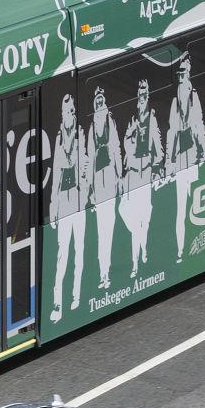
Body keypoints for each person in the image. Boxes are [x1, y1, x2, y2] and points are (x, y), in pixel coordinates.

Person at [46, 91, 89, 323]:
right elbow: (55, 175)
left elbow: (87, 163)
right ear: (63, 115)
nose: (71, 113)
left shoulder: (81, 134)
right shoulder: (59, 139)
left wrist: (86, 188)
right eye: (68, 111)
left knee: (79, 252)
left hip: (78, 200)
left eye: (73, 110)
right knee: (62, 256)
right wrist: (53, 207)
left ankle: (76, 296)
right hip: (63, 201)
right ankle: (57, 304)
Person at [164, 57, 205, 261]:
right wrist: (169, 160)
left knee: (193, 203)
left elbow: (199, 124)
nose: (180, 76)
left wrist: (203, 151)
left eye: (183, 73)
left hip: (192, 155)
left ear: (188, 74)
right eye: (178, 74)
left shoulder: (193, 96)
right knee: (181, 207)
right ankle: (181, 250)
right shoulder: (175, 100)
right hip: (181, 157)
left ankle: (194, 245)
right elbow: (171, 132)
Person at [118, 78, 163, 278]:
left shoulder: (151, 119)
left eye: (144, 94)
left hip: (146, 174)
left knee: (145, 219)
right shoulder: (132, 119)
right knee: (131, 218)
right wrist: (131, 134)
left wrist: (158, 167)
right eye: (140, 95)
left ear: (148, 96)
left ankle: (143, 249)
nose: (142, 98)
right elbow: (125, 144)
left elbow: (158, 146)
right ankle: (135, 263)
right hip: (133, 175)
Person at [86, 86, 122, 292]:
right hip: (98, 185)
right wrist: (90, 188)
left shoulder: (110, 122)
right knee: (102, 233)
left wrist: (119, 177)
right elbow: (90, 158)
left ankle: (110, 271)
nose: (99, 102)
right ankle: (103, 274)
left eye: (101, 99)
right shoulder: (92, 127)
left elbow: (116, 149)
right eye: (97, 100)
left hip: (110, 179)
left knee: (110, 228)